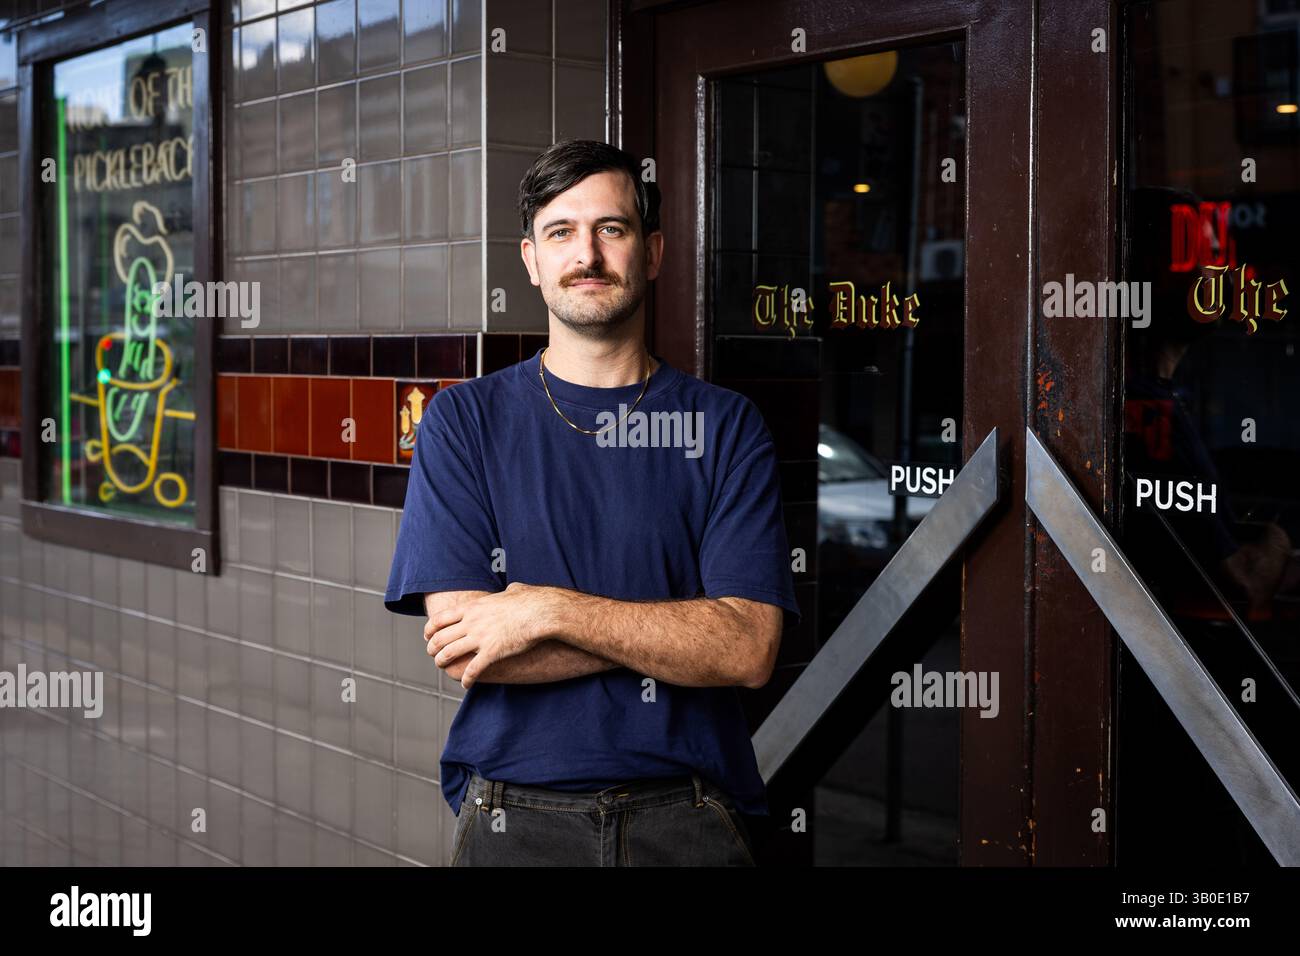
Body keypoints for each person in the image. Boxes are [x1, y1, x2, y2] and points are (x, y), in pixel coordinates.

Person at [384, 139, 801, 866]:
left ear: (654, 251)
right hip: (514, 816)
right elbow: (468, 647)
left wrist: (544, 610)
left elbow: (747, 648)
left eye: (612, 229)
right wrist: (676, 630)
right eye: (561, 233)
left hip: (691, 817)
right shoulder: (464, 422)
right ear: (531, 260)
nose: (588, 254)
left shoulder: (725, 426)